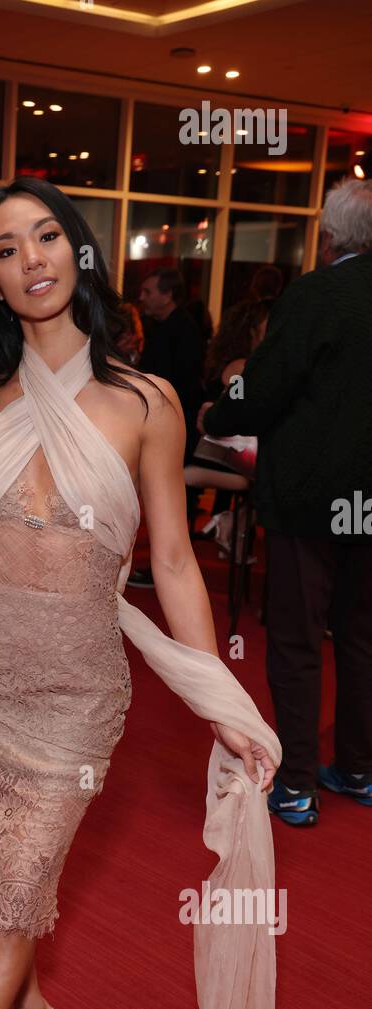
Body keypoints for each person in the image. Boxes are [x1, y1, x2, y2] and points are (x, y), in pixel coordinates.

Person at [0, 176, 284, 1009]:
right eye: (2, 249)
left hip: (79, 696)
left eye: (46, 237)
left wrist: (217, 693)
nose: (29, 259)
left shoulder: (147, 403)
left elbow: (171, 559)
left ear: (79, 251)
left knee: (20, 882)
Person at [202, 177, 372, 827]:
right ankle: (356, 768)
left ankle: (297, 782)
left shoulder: (314, 295)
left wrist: (217, 414)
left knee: (298, 639)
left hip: (309, 497)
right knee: (360, 635)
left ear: (327, 236)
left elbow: (264, 388)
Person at [128, 268, 205, 585]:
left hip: (176, 425)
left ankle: (168, 565)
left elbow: (180, 384)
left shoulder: (183, 331)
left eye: (148, 291)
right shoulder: (161, 327)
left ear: (167, 294)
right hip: (164, 421)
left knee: (172, 495)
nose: (142, 297)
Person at [192, 297, 271, 555]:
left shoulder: (234, 362)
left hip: (218, 447)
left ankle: (235, 521)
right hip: (216, 451)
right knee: (280, 476)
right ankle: (236, 522)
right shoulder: (241, 366)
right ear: (252, 331)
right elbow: (236, 417)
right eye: (267, 327)